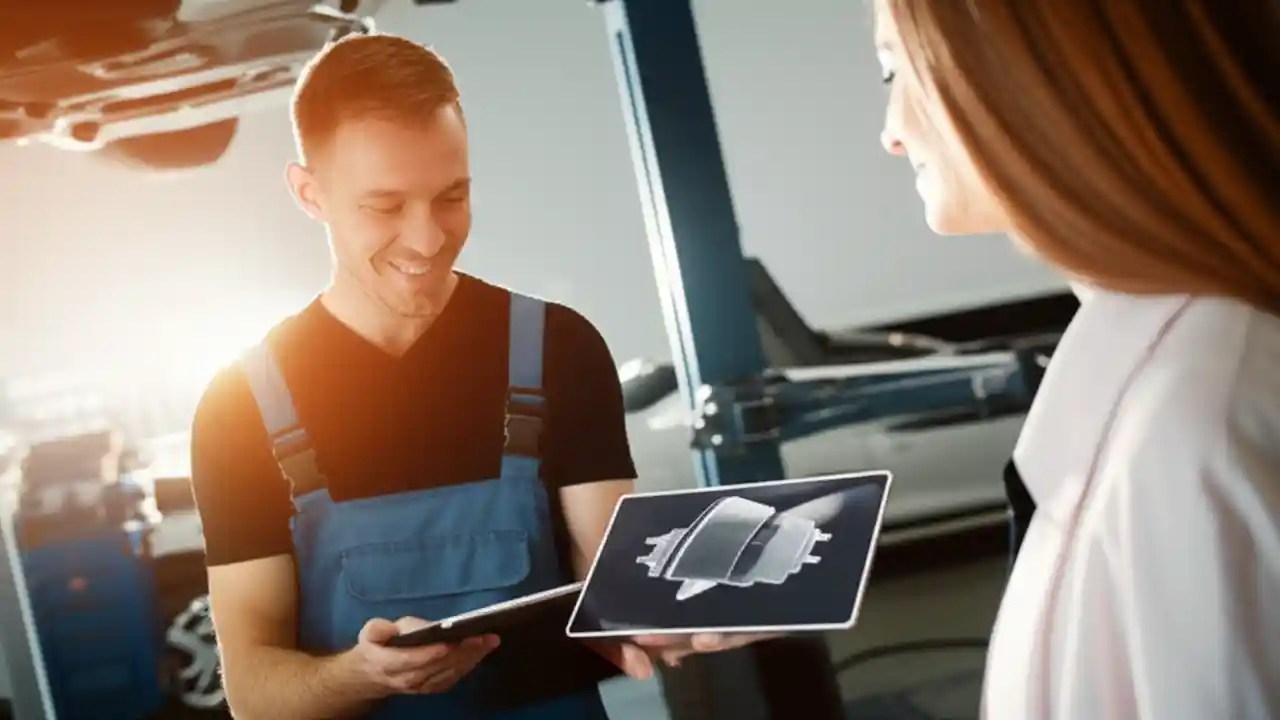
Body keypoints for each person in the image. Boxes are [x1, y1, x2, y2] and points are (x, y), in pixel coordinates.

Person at [189, 34, 751, 720]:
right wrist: (361, 676)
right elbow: (254, 694)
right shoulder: (240, 405)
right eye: (385, 206)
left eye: (451, 196)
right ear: (311, 193)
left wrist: (676, 613)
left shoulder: (558, 348)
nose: (427, 239)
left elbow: (612, 577)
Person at [871, 1, 1280, 718]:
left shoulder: (1194, 418)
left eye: (897, 72)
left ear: (1033, 75)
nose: (891, 133)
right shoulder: (1167, 358)